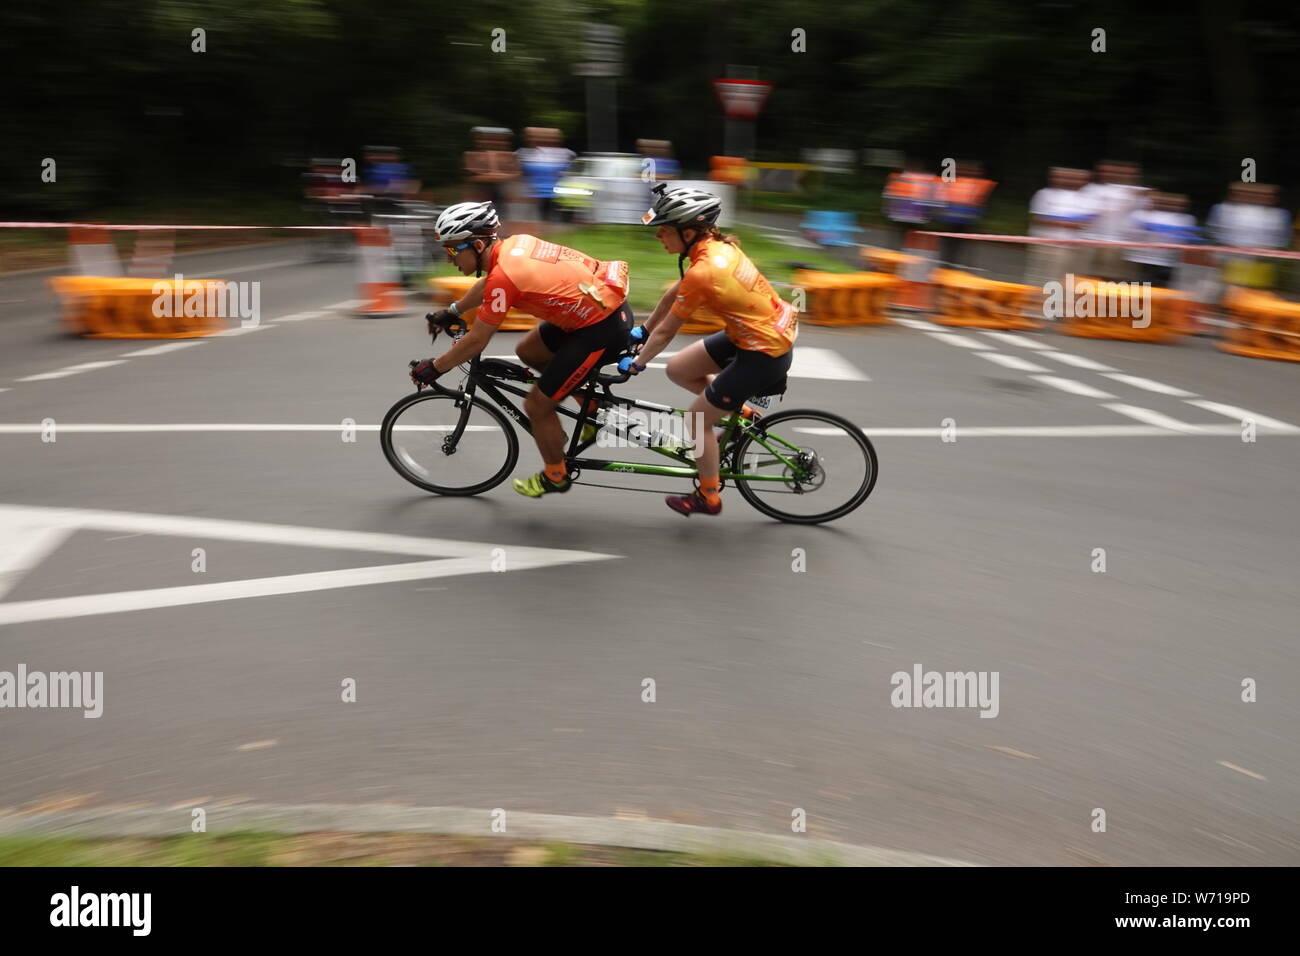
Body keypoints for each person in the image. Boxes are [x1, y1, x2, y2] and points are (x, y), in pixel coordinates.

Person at [409, 202, 633, 498]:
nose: (449, 259)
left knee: (538, 406)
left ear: (477, 244)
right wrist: (453, 310)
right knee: (529, 350)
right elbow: (490, 284)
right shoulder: (513, 246)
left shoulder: (506, 275)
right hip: (595, 312)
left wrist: (435, 367)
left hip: (601, 329)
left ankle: (555, 475)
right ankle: (592, 410)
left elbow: (477, 339)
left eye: (452, 250)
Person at [628, 184, 798, 518]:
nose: (659, 236)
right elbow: (675, 296)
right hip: (752, 335)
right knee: (678, 369)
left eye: (664, 230)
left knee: (696, 419)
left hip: (764, 352)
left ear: (688, 232)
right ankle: (743, 413)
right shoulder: (711, 249)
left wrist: (636, 363)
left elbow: (667, 331)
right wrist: (643, 330)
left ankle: (708, 496)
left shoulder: (707, 271)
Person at [1125, 192, 1200, 286]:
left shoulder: (1187, 219)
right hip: (1140, 259)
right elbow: (1131, 232)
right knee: (1135, 287)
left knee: (1159, 289)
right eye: (1164, 202)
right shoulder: (1141, 214)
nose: (1168, 205)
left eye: (1174, 203)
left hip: (1167, 261)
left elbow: (1187, 240)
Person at [516, 127, 575, 223]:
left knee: (552, 223)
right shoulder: (523, 153)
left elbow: (571, 175)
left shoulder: (566, 154)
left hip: (558, 195)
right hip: (533, 196)